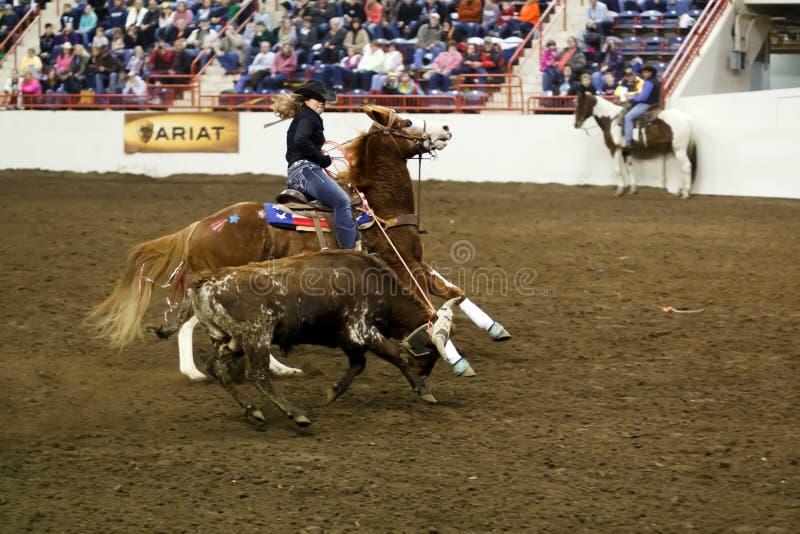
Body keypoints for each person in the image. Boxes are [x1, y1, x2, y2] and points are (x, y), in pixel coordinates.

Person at [274, 80, 357, 250]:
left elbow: (301, 141)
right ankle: (350, 251)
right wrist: (321, 158)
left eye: (323, 100)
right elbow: (300, 140)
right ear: (306, 100)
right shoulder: (308, 117)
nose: (322, 102)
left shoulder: (302, 117)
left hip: (295, 174)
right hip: (307, 171)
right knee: (342, 202)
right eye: (317, 98)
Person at [623, 65, 660, 149]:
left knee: (627, 117)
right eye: (643, 73)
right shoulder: (656, 81)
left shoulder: (649, 82)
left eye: (645, 72)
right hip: (655, 104)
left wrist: (632, 98)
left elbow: (643, 97)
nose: (643, 74)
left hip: (646, 104)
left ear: (650, 73)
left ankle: (628, 142)